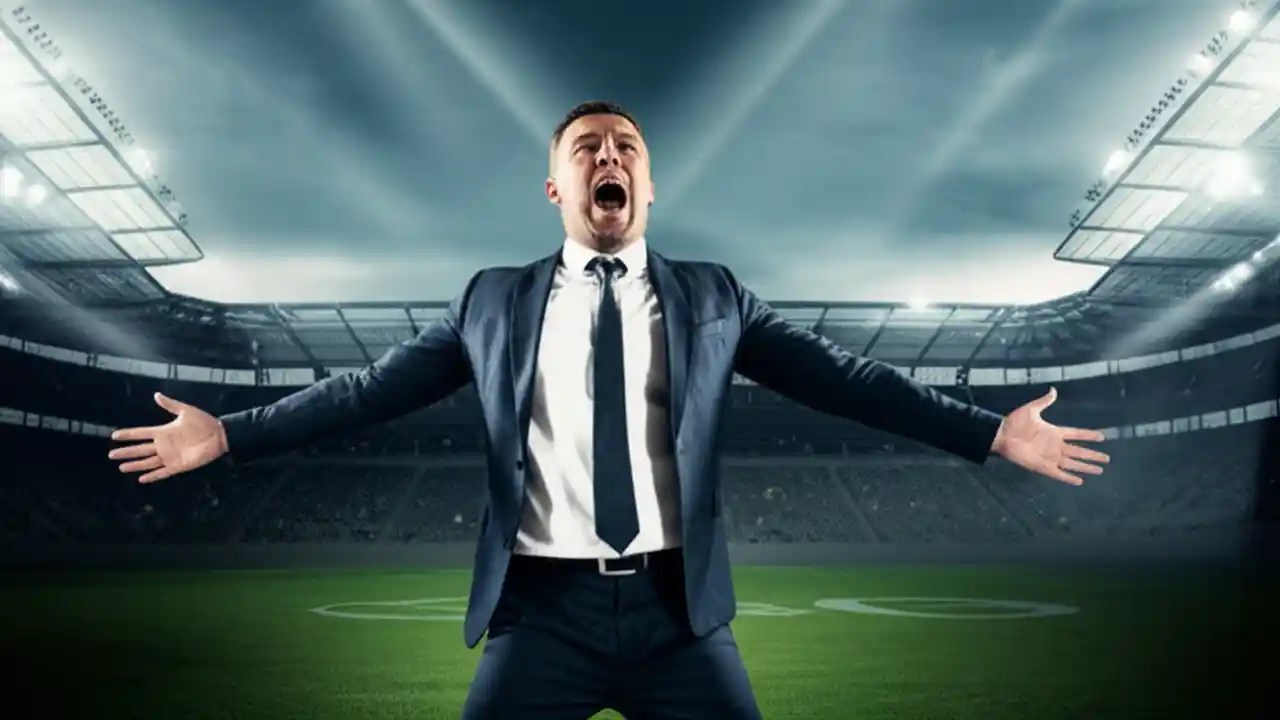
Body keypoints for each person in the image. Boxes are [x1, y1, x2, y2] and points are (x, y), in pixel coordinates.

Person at [107, 100, 1111, 718]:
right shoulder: (489, 301)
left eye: (625, 145)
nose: (608, 157)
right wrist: (232, 433)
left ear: (647, 182)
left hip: (682, 619)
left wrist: (984, 430)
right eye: (587, 146)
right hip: (541, 615)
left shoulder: (716, 297)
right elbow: (364, 392)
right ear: (555, 185)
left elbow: (849, 379)